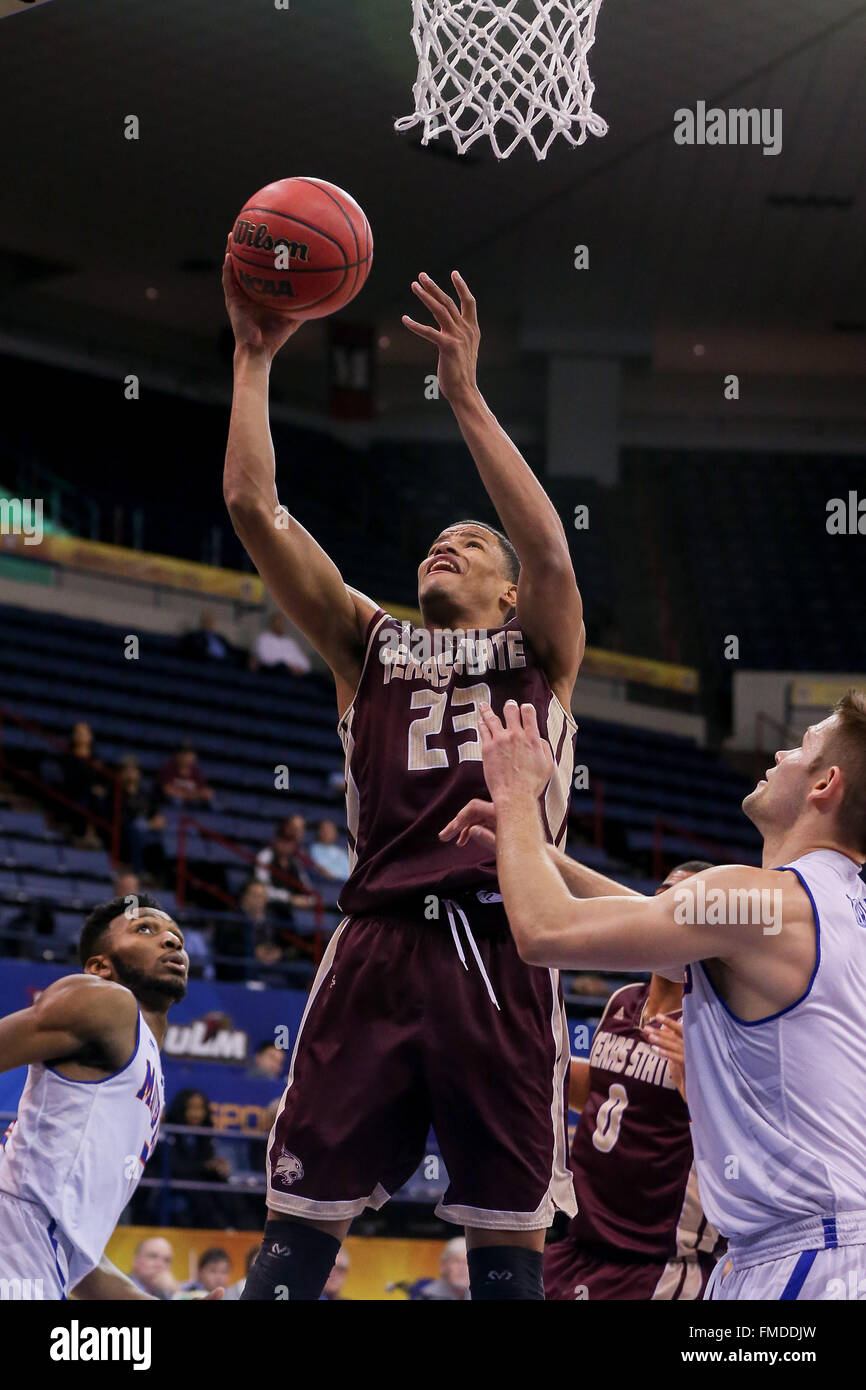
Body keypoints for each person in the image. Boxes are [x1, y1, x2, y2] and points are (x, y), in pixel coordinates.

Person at [223, 250, 584, 1302]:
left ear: (508, 595)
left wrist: (464, 396)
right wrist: (253, 359)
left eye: (470, 543)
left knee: (508, 1259)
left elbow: (552, 554)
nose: (447, 544)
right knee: (292, 1239)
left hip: (504, 946)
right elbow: (254, 507)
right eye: (437, 538)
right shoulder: (363, 643)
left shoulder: (540, 649)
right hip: (377, 940)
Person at [457, 692, 866, 1301]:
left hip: (806, 1259)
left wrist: (517, 797)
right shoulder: (821, 910)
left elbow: (545, 932)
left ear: (824, 784)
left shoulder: (763, 904)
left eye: (799, 748)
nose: (779, 753)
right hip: (802, 1250)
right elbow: (663, 919)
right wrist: (541, 854)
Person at [0, 894, 223, 1300]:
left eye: (176, 936)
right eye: (146, 929)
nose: (172, 942)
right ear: (100, 966)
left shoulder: (146, 1066)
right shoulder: (108, 1002)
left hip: (36, 1259)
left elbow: (80, 1262)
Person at [542, 862, 726, 1300]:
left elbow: (741, 1129)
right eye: (662, 897)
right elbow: (602, 1088)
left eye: (686, 908)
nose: (669, 914)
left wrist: (698, 1082)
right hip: (579, 1239)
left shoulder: (717, 1021)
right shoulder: (623, 1000)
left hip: (659, 1260)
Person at [163, 1089, 233, 1229]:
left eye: (200, 1109)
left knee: (223, 1183)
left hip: (200, 1178)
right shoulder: (168, 1133)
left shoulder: (205, 1135)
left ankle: (238, 1227)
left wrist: (217, 1166)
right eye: (191, 1108)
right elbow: (173, 1167)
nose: (196, 1114)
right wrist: (204, 1166)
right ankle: (221, 1228)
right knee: (198, 1189)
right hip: (177, 1182)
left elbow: (207, 1161)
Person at [60, 721, 112, 845]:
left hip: (96, 796)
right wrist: (90, 788)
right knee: (93, 799)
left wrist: (101, 788)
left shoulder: (97, 759)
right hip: (76, 795)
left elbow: (105, 780)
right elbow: (70, 780)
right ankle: (87, 833)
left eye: (86, 732)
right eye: (79, 733)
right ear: (73, 736)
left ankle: (102, 836)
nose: (83, 736)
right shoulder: (68, 757)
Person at [254, 822, 317, 921]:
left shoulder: (295, 863)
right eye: (283, 840)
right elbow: (262, 889)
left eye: (290, 842)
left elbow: (307, 888)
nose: (286, 845)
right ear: (276, 840)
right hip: (269, 906)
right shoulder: (265, 856)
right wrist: (290, 899)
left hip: (290, 909)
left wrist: (308, 900)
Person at [156, 743, 213, 807]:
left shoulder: (196, 771)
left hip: (191, 805)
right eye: (183, 753)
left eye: (189, 754)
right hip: (169, 806)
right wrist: (194, 795)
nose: (186, 757)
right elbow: (167, 790)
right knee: (176, 801)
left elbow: (206, 792)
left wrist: (186, 795)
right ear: (177, 755)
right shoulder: (168, 768)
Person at [127, 1236, 178, 1300]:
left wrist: (175, 1292)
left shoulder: (165, 1293)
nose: (160, 1265)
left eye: (167, 1260)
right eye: (153, 1256)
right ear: (136, 1260)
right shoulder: (119, 1287)